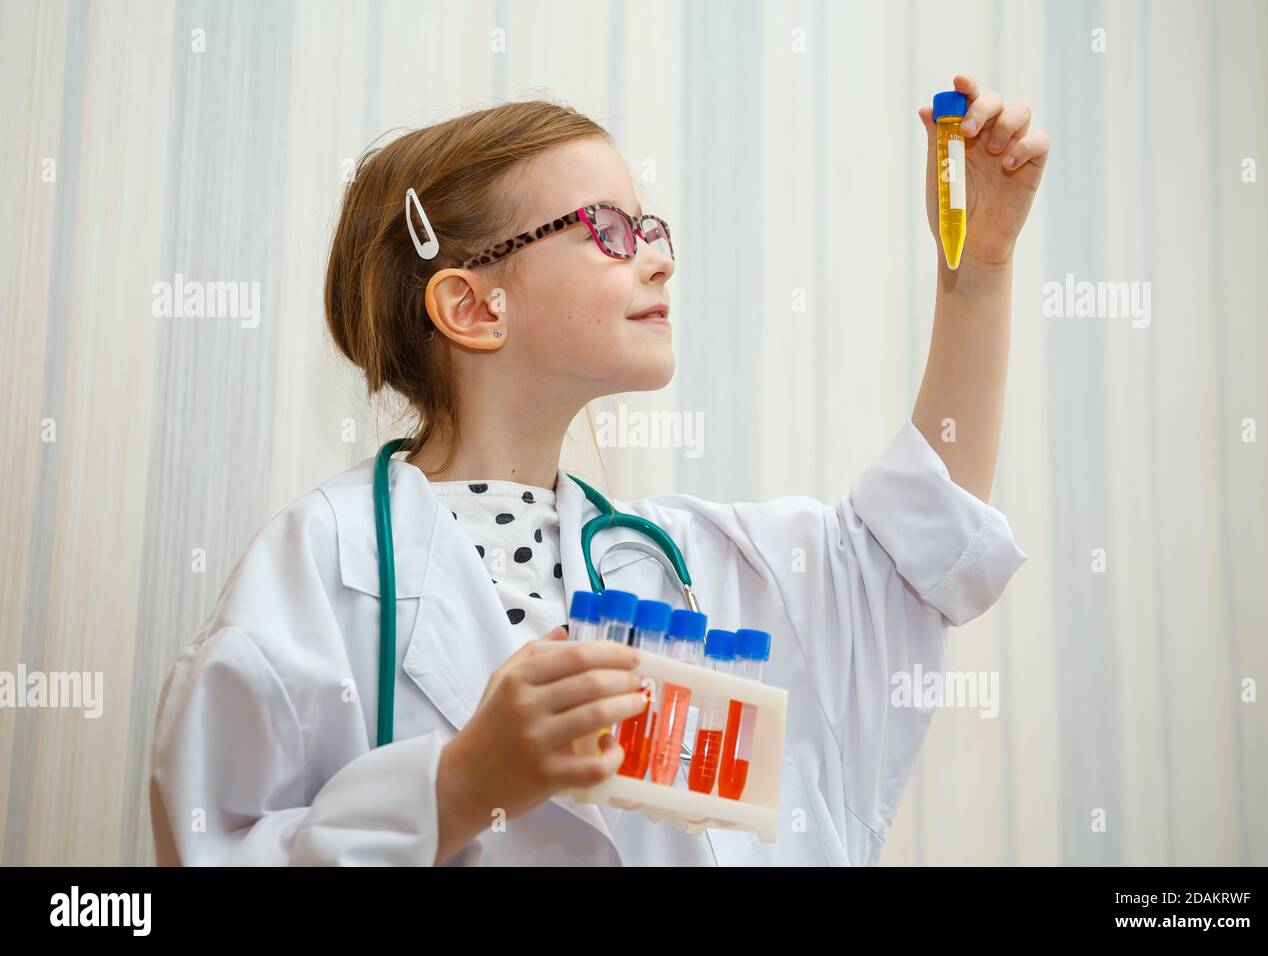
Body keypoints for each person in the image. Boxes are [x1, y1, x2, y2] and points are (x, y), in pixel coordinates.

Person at [149, 74, 1048, 865]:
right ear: (472, 305)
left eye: (650, 226)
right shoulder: (319, 568)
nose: (658, 256)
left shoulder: (686, 565)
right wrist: (457, 785)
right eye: (607, 230)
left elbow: (911, 554)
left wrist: (979, 270)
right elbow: (212, 845)